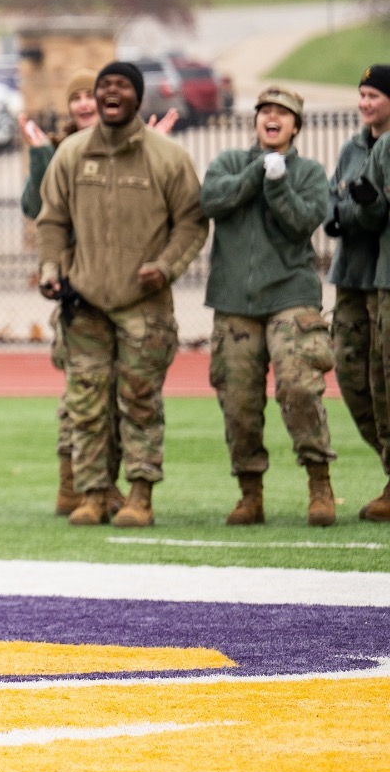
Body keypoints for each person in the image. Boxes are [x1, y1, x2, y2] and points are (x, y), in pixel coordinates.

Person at [36, 61, 207, 528]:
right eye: (103, 86)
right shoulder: (71, 153)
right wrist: (51, 268)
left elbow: (192, 222)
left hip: (143, 306)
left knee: (140, 401)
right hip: (85, 303)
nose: (110, 92)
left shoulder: (167, 156)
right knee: (86, 404)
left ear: (138, 97)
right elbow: (50, 220)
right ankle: (92, 495)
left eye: (121, 86)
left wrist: (167, 266)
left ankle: (139, 495)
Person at [202, 86, 335, 526]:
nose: (272, 117)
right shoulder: (228, 164)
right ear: (256, 121)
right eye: (265, 111)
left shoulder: (311, 173)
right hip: (235, 301)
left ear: (296, 126)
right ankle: (250, 493)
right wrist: (256, 174)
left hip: (290, 296)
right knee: (238, 401)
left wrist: (278, 184)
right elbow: (211, 201)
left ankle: (319, 482)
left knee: (298, 388)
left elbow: (301, 223)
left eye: (283, 113)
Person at [336, 68, 390, 519]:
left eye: (374, 95)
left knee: (384, 382)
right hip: (353, 278)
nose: (365, 103)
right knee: (354, 381)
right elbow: (339, 204)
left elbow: (372, 211)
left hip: (384, 279)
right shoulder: (351, 148)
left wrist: (360, 209)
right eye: (361, 95)